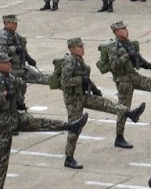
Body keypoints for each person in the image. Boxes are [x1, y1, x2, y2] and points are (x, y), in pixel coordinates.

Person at [0, 51, 84, 189]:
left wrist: (18, 95)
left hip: (12, 118)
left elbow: (17, 94)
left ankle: (69, 126)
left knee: (38, 122)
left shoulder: (8, 78)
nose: (10, 64)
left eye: (10, 61)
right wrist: (3, 95)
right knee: (3, 158)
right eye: (6, 62)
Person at [58, 37, 143, 171]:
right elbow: (64, 83)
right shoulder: (69, 61)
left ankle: (129, 113)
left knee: (105, 103)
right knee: (75, 127)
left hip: (83, 96)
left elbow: (84, 79)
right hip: (73, 100)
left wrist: (94, 89)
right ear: (72, 49)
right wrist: (81, 80)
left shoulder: (78, 60)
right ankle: (69, 158)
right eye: (79, 47)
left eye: (82, 46)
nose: (82, 49)